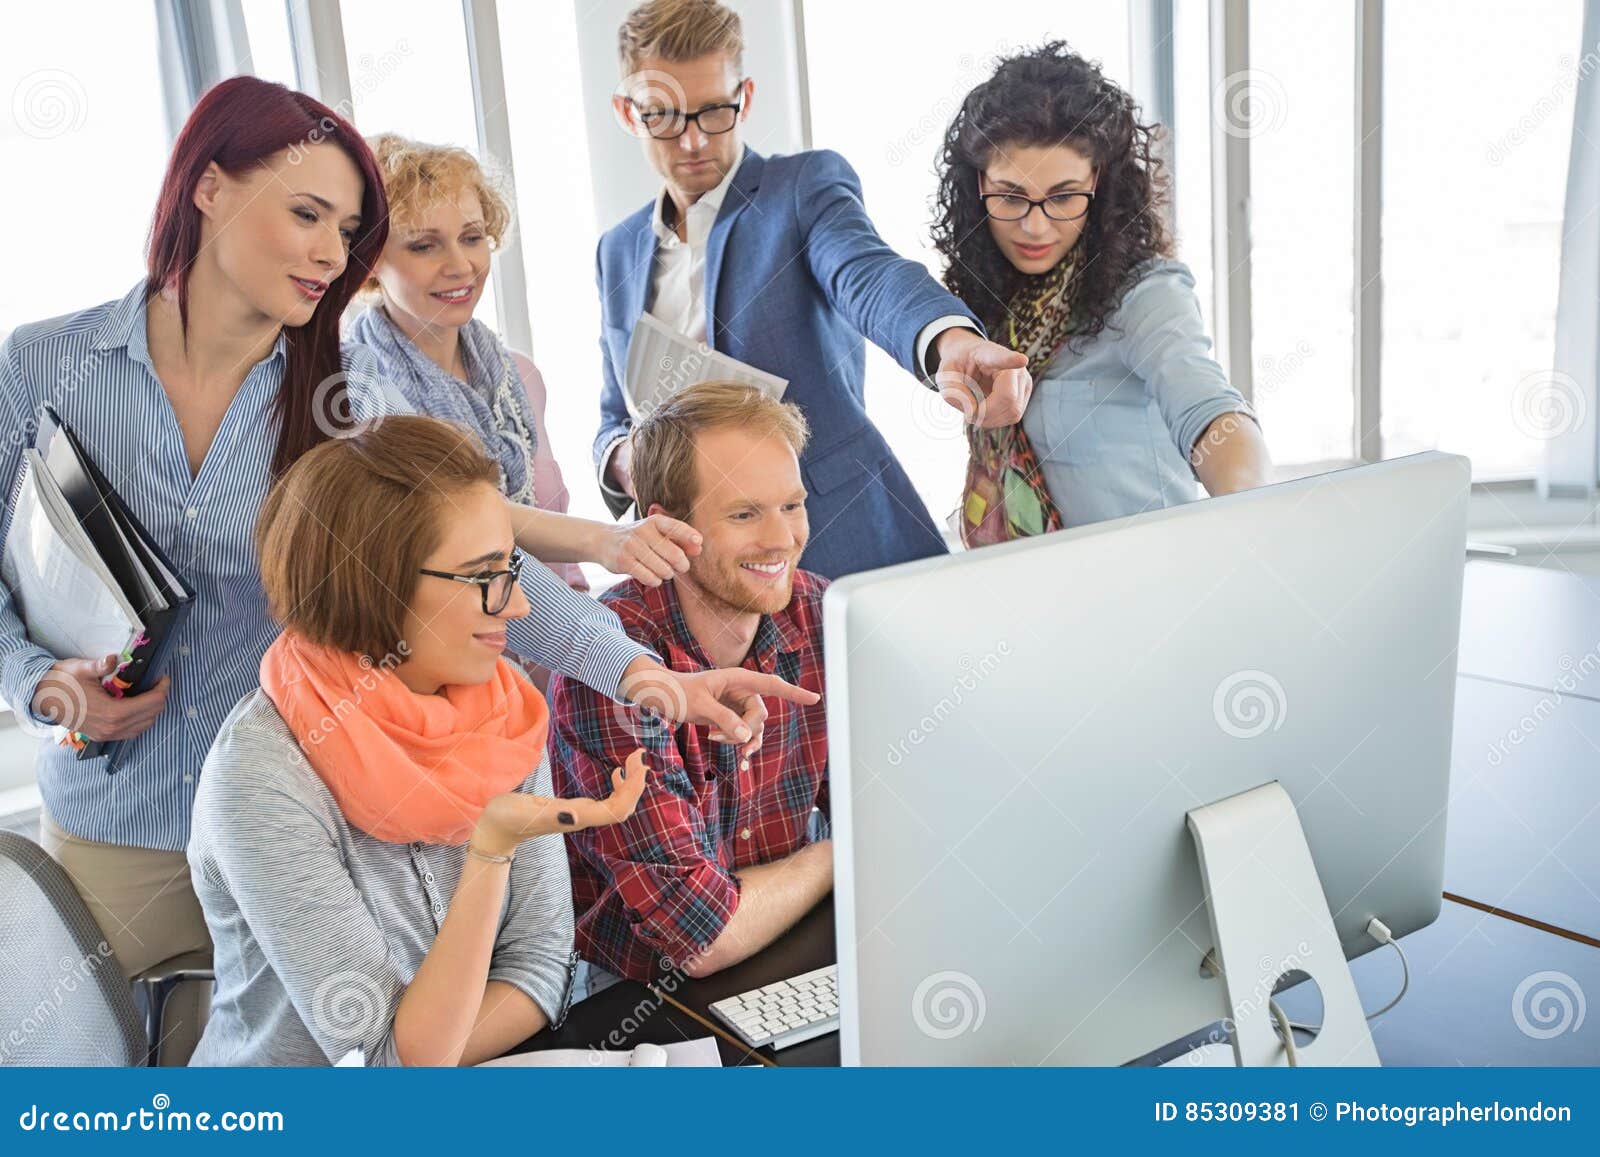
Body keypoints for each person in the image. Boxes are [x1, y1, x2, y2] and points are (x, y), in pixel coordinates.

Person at [0, 75, 394, 1064]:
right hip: (109, 840)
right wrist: (43, 683)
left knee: (262, 1115)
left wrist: (627, 662)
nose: (330, 253)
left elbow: (466, 558)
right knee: (92, 1105)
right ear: (209, 187)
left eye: (347, 232)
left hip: (282, 836)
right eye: (307, 214)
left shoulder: (345, 399)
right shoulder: (43, 364)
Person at [188, 415, 648, 1066]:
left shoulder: (504, 705)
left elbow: (544, 963)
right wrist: (490, 853)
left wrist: (425, 1052)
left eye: (511, 568)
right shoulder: (261, 775)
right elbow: (379, 1061)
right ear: (374, 582)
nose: (518, 606)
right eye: (485, 577)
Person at [594, 0, 1037, 580]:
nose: (694, 141)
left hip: (835, 541)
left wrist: (948, 342)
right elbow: (614, 413)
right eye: (665, 117)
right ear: (628, 112)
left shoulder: (802, 190)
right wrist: (627, 460)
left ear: (745, 98)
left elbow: (868, 274)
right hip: (698, 572)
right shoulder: (616, 251)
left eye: (714, 111)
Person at [931, 41, 1272, 543]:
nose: (1034, 226)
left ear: (1100, 183)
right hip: (1030, 583)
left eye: (1064, 196)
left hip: (1150, 576)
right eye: (1010, 196)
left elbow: (1206, 405)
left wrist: (1251, 510)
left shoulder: (1145, 294)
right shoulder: (988, 304)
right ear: (977, 186)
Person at [552, 381, 830, 988]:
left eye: (791, 505)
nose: (781, 539)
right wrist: (842, 855)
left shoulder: (821, 613)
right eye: (744, 514)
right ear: (667, 529)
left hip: (788, 936)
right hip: (638, 997)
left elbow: (897, 806)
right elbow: (697, 937)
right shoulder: (611, 664)